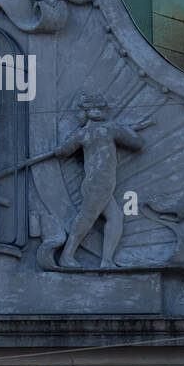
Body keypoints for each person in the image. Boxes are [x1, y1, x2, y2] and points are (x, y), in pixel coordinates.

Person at [55, 92, 145, 268]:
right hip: (100, 183)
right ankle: (67, 256)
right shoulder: (110, 128)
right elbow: (137, 142)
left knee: (116, 217)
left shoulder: (82, 134)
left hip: (94, 182)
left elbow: (61, 151)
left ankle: (106, 261)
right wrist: (126, 129)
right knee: (86, 218)